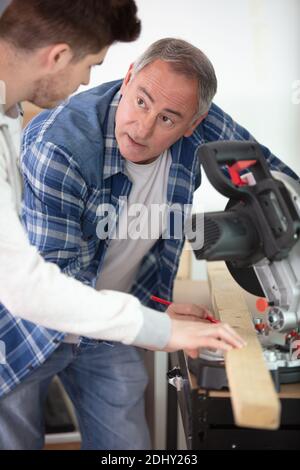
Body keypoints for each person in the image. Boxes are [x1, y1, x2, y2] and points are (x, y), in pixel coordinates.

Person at [0, 3, 244, 449]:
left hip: (109, 325)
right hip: (27, 326)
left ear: (193, 124)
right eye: (92, 64)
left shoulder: (188, 112)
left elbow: (267, 172)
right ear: (129, 78)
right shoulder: (62, 145)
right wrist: (162, 327)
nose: (145, 126)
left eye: (169, 119)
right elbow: (46, 291)